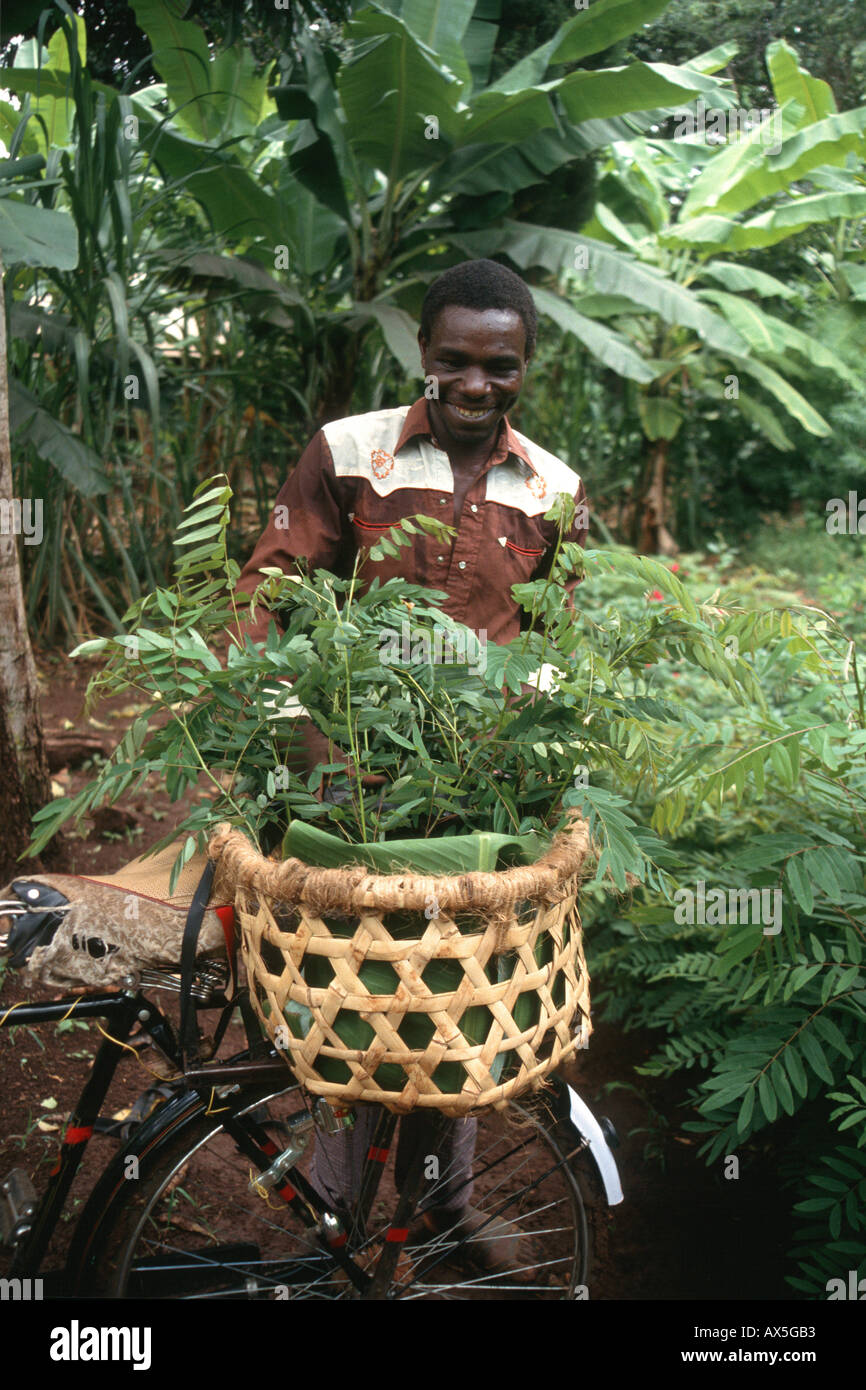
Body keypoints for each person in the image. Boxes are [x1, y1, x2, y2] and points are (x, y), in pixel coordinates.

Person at [233, 258, 588, 1268]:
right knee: (352, 994)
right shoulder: (350, 453)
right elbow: (267, 593)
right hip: (349, 770)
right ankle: (327, 1221)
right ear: (422, 357)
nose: (476, 385)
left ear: (525, 366)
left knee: (460, 990)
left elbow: (563, 631)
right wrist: (308, 742)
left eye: (500, 366)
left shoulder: (552, 486)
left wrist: (536, 734)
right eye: (454, 363)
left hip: (477, 788)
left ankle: (440, 1210)